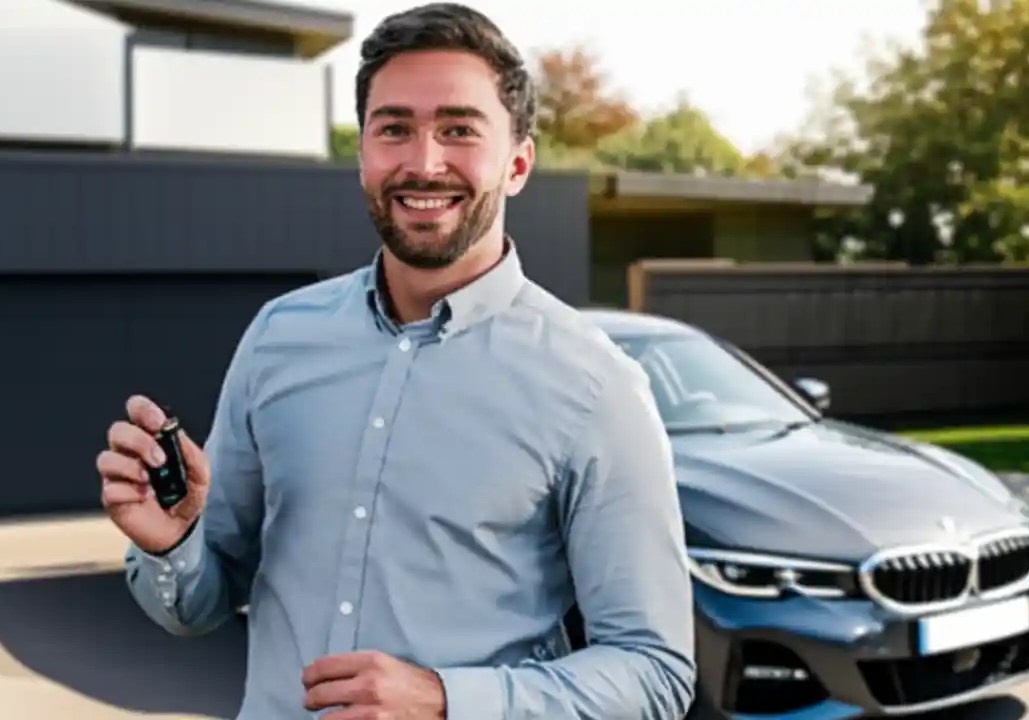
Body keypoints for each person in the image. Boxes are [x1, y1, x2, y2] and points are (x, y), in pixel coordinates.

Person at [93, 3, 696, 718]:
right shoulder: (279, 338)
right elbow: (199, 605)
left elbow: (656, 674)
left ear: (519, 162)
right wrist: (176, 547)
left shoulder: (597, 384)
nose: (423, 161)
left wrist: (449, 701)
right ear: (363, 154)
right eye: (394, 129)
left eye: (459, 130)